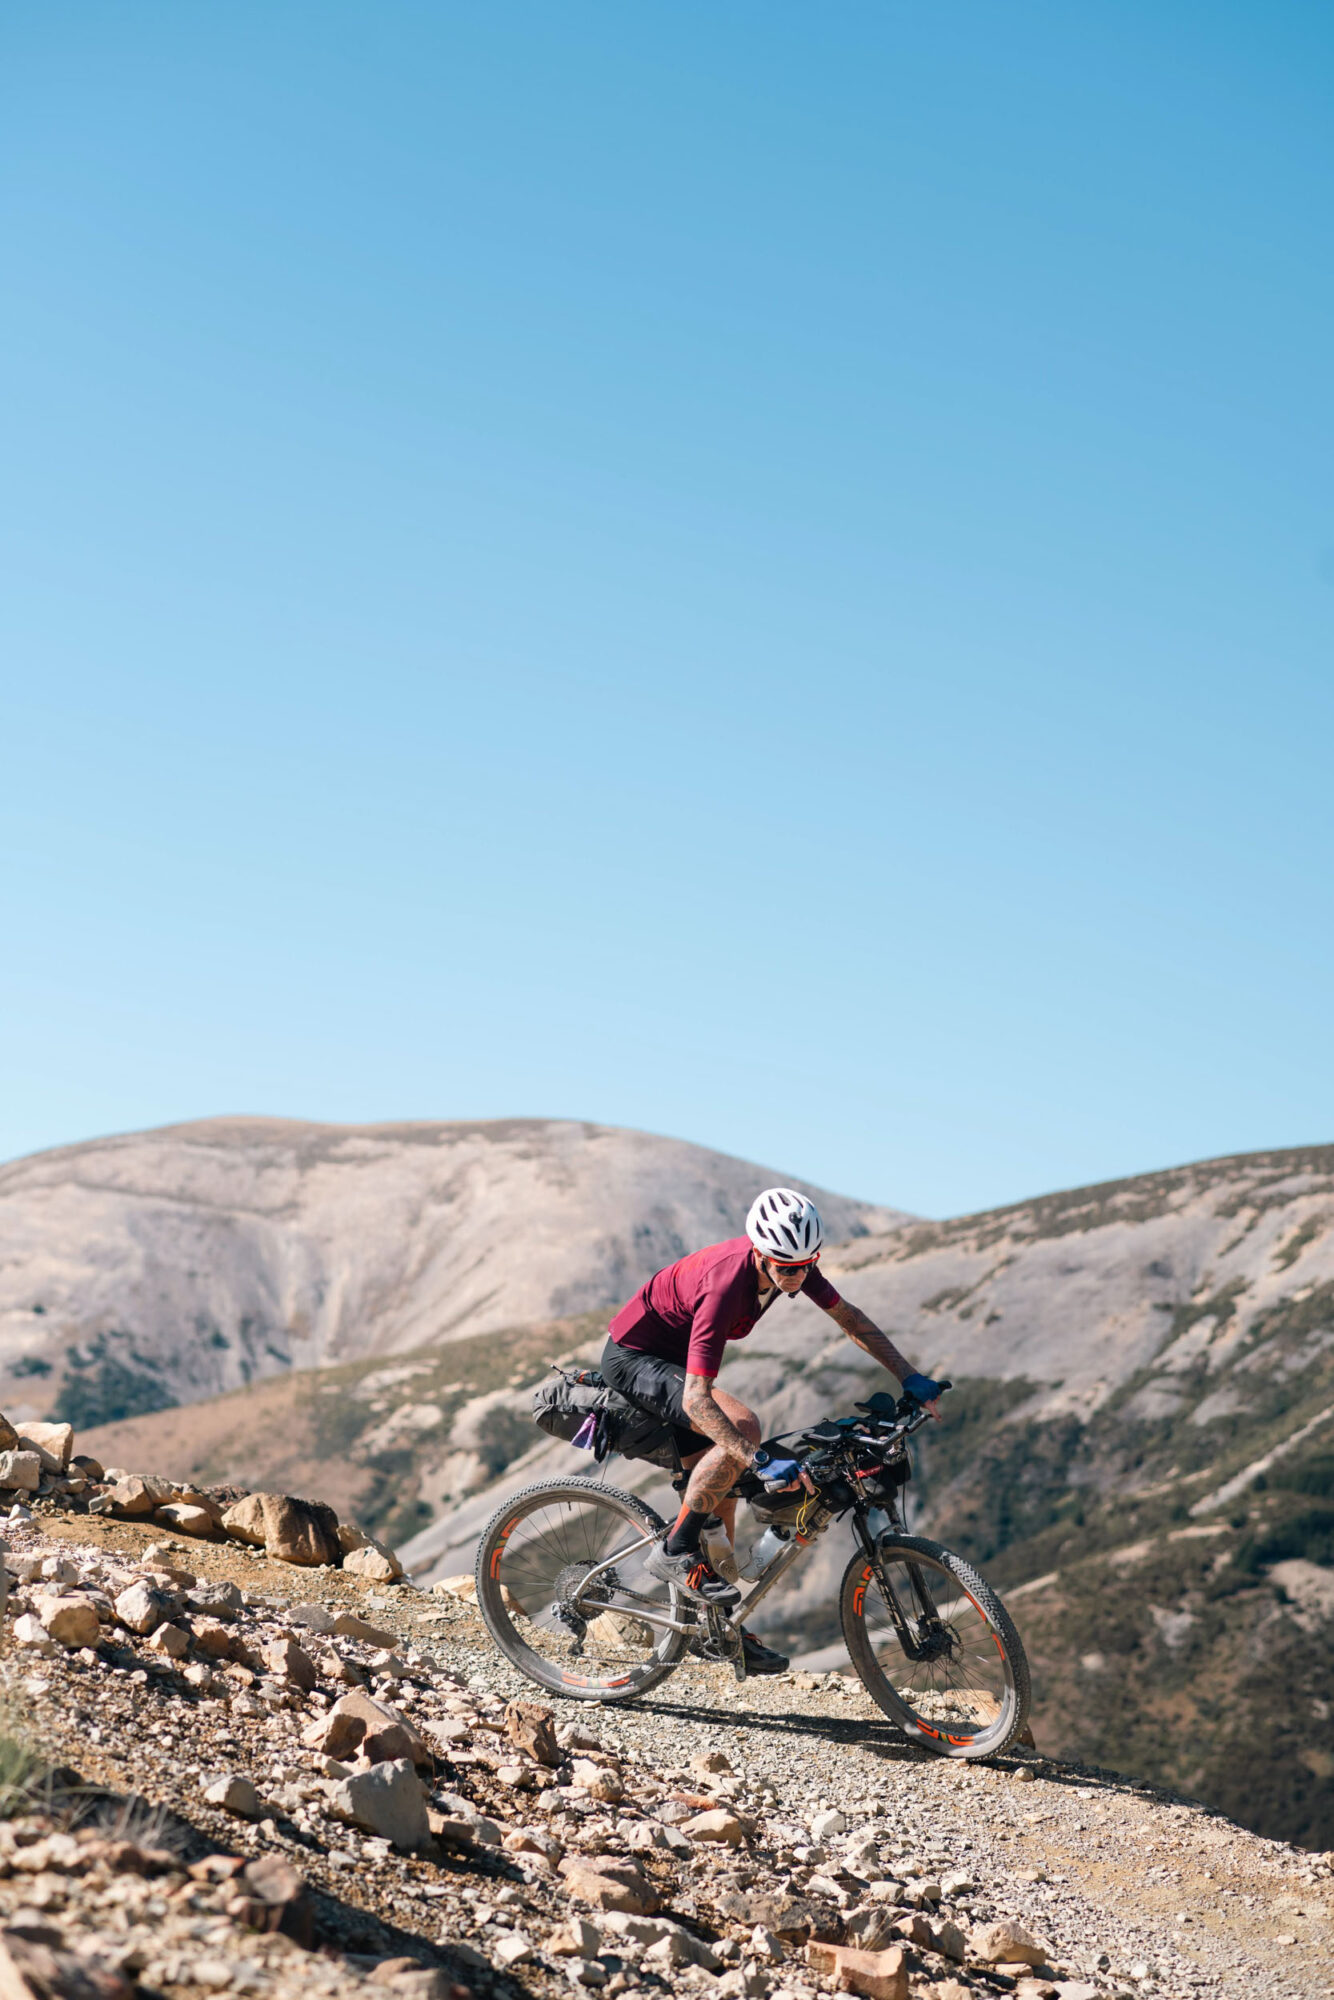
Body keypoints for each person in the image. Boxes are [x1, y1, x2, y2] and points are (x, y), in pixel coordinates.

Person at [600, 1187, 943, 1674]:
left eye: (805, 1265)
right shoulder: (724, 1284)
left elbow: (850, 1319)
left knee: (726, 1487)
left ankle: (719, 1626)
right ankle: (674, 1551)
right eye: (784, 1267)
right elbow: (697, 1399)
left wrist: (908, 1376)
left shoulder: (795, 1266)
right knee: (744, 1427)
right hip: (635, 1359)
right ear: (760, 1252)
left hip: (674, 1362)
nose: (795, 1277)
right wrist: (758, 1457)